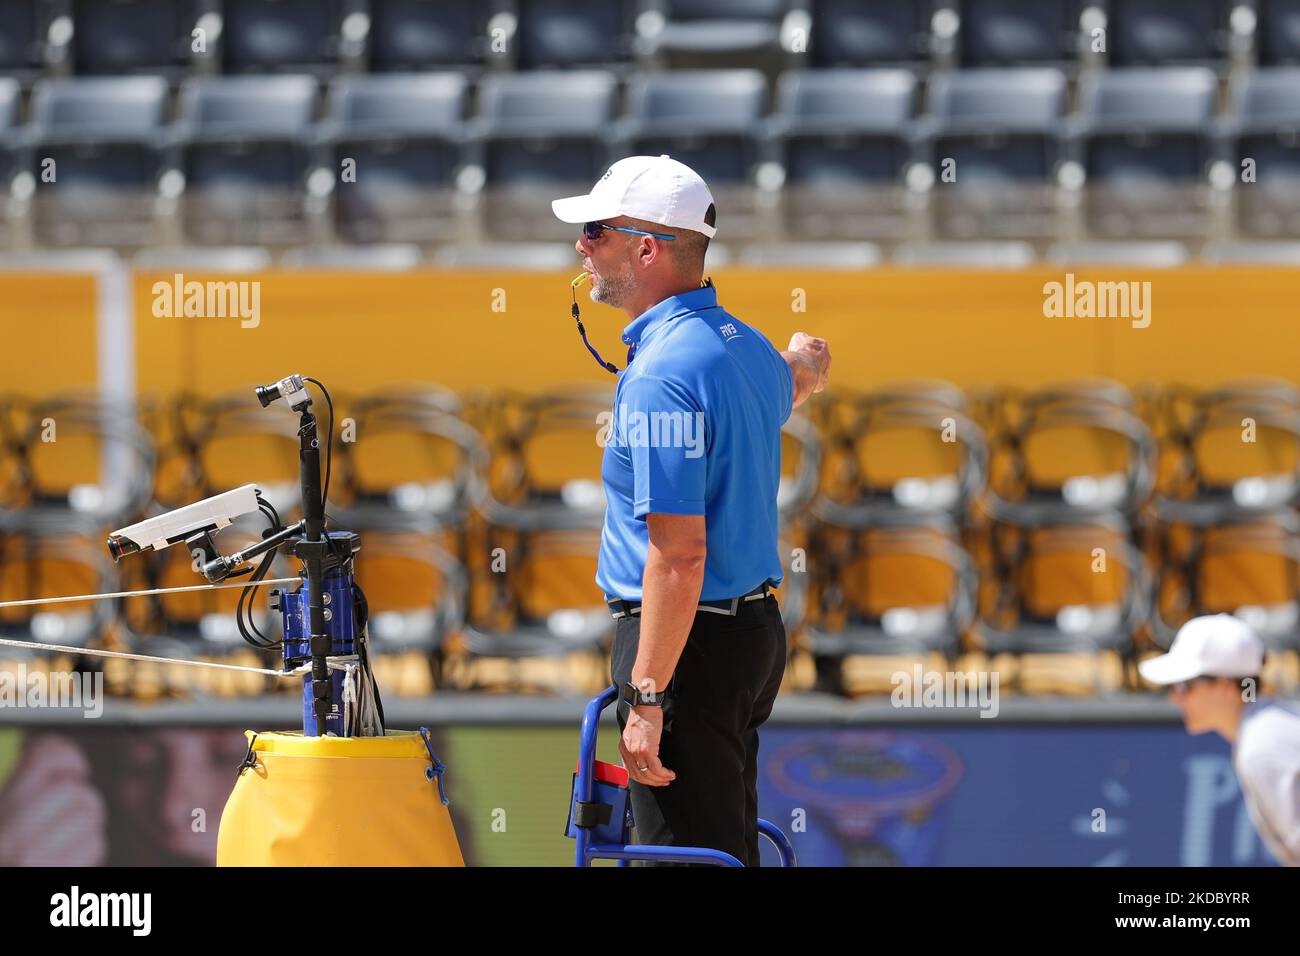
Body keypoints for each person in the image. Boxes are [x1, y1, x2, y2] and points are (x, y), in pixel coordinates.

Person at [551, 154, 832, 864]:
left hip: (684, 650)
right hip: (743, 637)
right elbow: (779, 390)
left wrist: (648, 694)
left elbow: (679, 554)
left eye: (595, 231)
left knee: (686, 859)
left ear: (646, 249)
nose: (582, 247)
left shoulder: (662, 375)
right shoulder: (744, 349)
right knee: (724, 848)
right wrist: (806, 366)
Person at [1139, 613, 1300, 866]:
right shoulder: (1267, 729)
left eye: (1184, 686)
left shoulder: (1262, 747)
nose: (1176, 698)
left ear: (1226, 686)